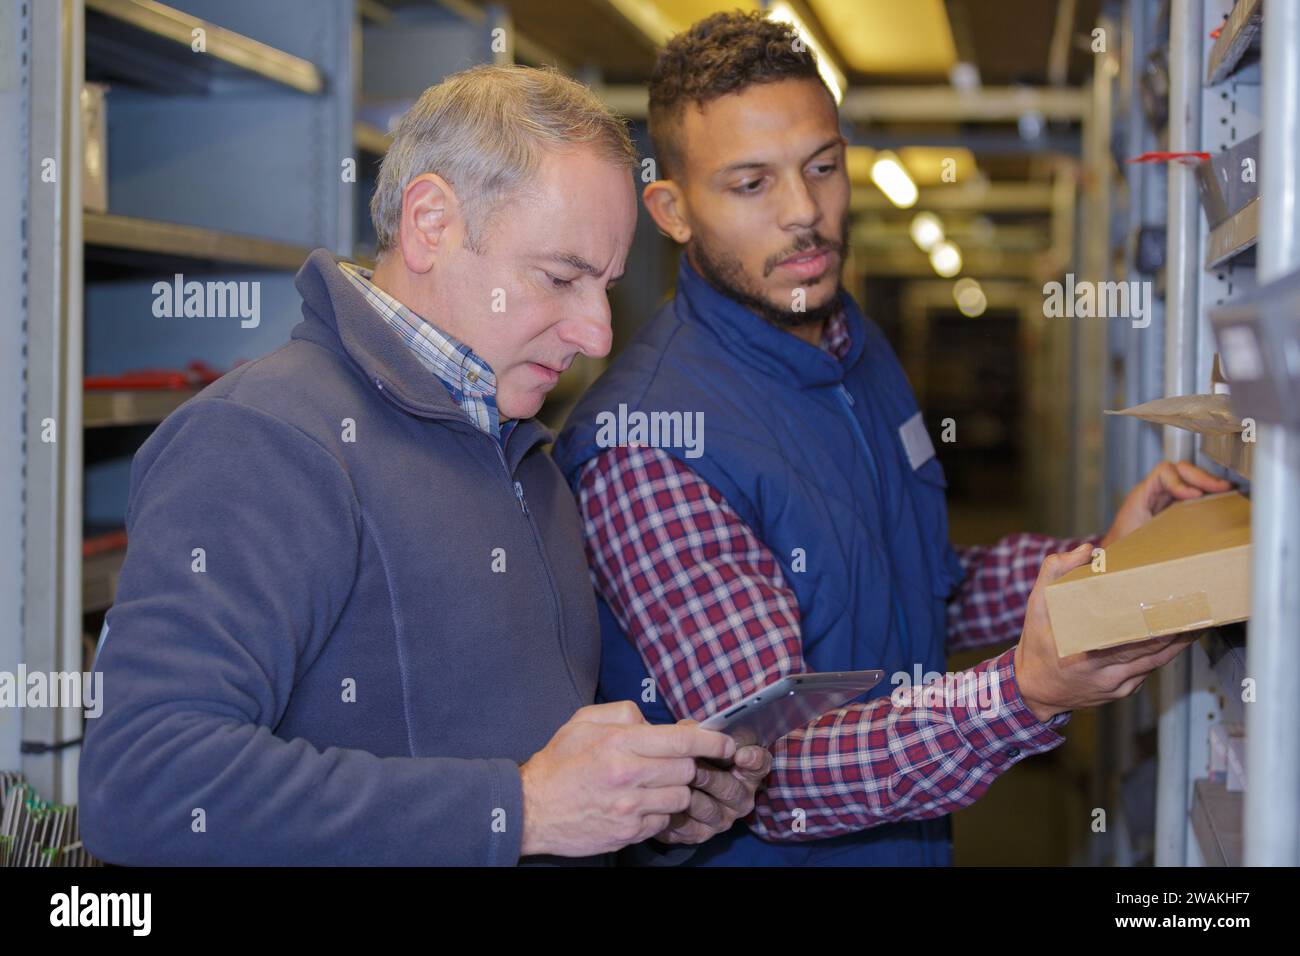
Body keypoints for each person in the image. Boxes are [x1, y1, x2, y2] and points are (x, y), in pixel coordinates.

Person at [551, 11, 1230, 866]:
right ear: (673, 209)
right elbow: (775, 767)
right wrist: (1021, 690)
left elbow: (918, 585)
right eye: (751, 184)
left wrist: (1104, 563)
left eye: (823, 167)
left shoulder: (851, 348)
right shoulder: (647, 446)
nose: (806, 214)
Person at [79, 64, 771, 866]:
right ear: (431, 223)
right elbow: (143, 785)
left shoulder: (527, 460)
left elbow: (532, 782)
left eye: (607, 287)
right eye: (560, 278)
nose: (597, 333)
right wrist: (524, 808)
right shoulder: (264, 439)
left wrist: (644, 812)